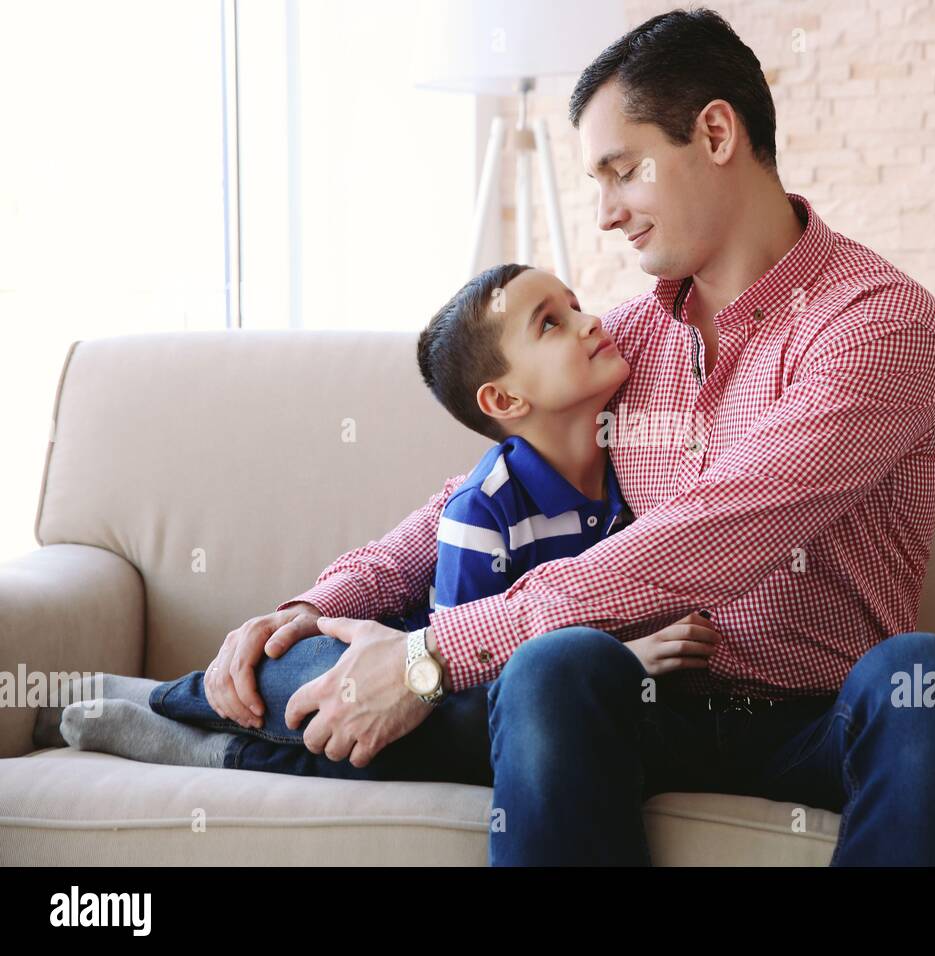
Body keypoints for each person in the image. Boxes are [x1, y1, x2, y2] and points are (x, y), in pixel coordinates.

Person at [130, 8, 935, 866]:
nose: (607, 214)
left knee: (931, 680)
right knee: (548, 668)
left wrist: (432, 658)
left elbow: (715, 533)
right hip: (638, 694)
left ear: (714, 133)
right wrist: (321, 602)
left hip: (818, 718)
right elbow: (485, 486)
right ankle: (199, 701)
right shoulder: (625, 342)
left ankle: (235, 719)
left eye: (621, 172)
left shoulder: (876, 326)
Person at [32, 264, 723, 784]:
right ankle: (189, 717)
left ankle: (201, 728)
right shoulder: (484, 511)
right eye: (552, 322)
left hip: (481, 684)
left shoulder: (631, 472)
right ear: (505, 397)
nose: (591, 320)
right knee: (363, 700)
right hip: (448, 681)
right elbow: (465, 684)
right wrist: (621, 662)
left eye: (574, 306)